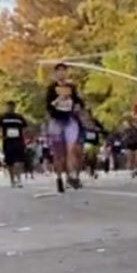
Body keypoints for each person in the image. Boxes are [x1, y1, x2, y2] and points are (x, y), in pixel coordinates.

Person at [45, 62, 84, 192]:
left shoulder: (72, 87)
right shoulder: (51, 88)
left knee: (70, 150)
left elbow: (78, 101)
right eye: (59, 71)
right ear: (55, 74)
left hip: (70, 120)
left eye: (64, 71)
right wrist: (59, 100)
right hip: (57, 121)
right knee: (58, 153)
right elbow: (48, 106)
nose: (62, 73)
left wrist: (78, 105)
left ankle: (71, 177)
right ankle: (59, 178)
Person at [0, 102, 29, 186]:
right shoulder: (2, 117)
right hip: (7, 141)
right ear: (6, 107)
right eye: (8, 106)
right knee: (9, 161)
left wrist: (25, 138)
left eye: (12, 106)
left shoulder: (19, 117)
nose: (10, 108)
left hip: (18, 141)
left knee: (18, 160)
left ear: (14, 107)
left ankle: (18, 179)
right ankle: (12, 179)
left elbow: (25, 128)